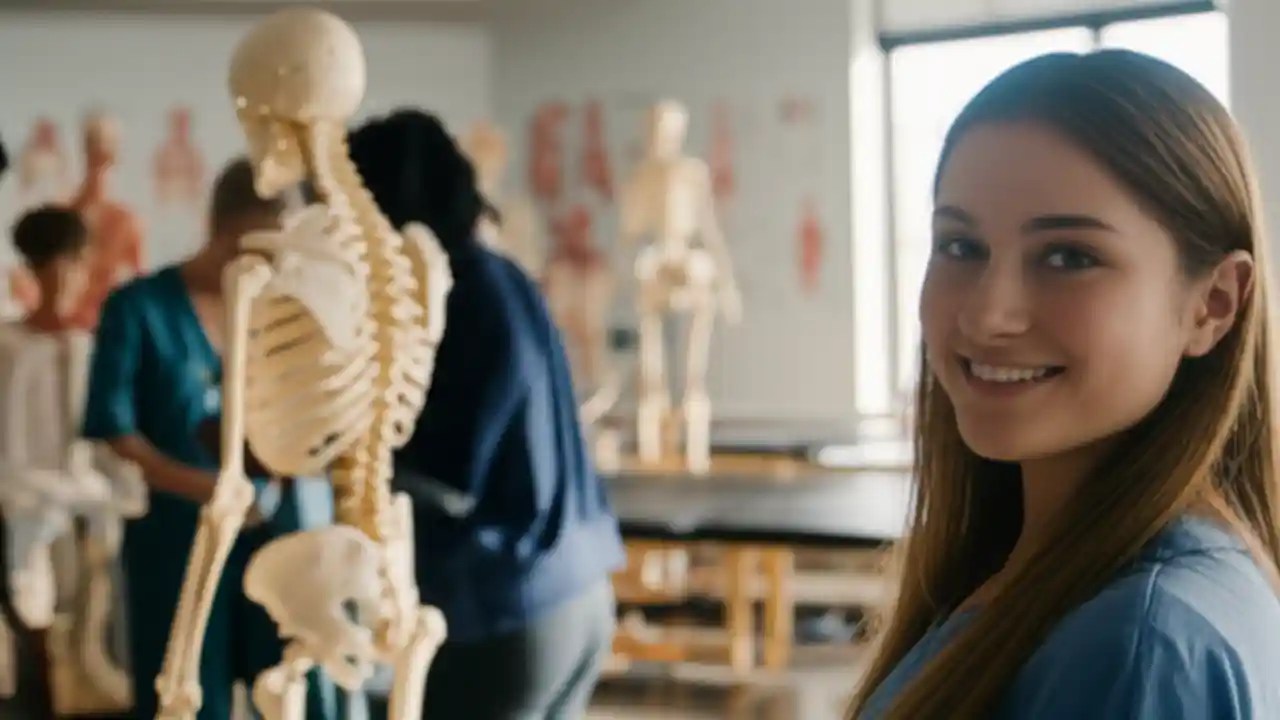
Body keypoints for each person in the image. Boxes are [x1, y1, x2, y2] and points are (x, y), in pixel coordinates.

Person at [849, 50, 1280, 719]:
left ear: (1214, 302)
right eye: (960, 246)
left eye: (1069, 257)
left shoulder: (1140, 644)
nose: (989, 315)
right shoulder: (1042, 578)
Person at [344, 109, 625, 719]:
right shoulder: (505, 277)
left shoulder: (459, 296)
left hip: (510, 610)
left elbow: (447, 474)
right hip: (579, 591)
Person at [80, 158, 334, 720]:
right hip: (177, 534)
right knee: (190, 690)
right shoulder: (139, 308)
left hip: (282, 528)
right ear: (232, 223)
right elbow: (114, 427)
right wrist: (210, 488)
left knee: (297, 684)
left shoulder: (285, 313)